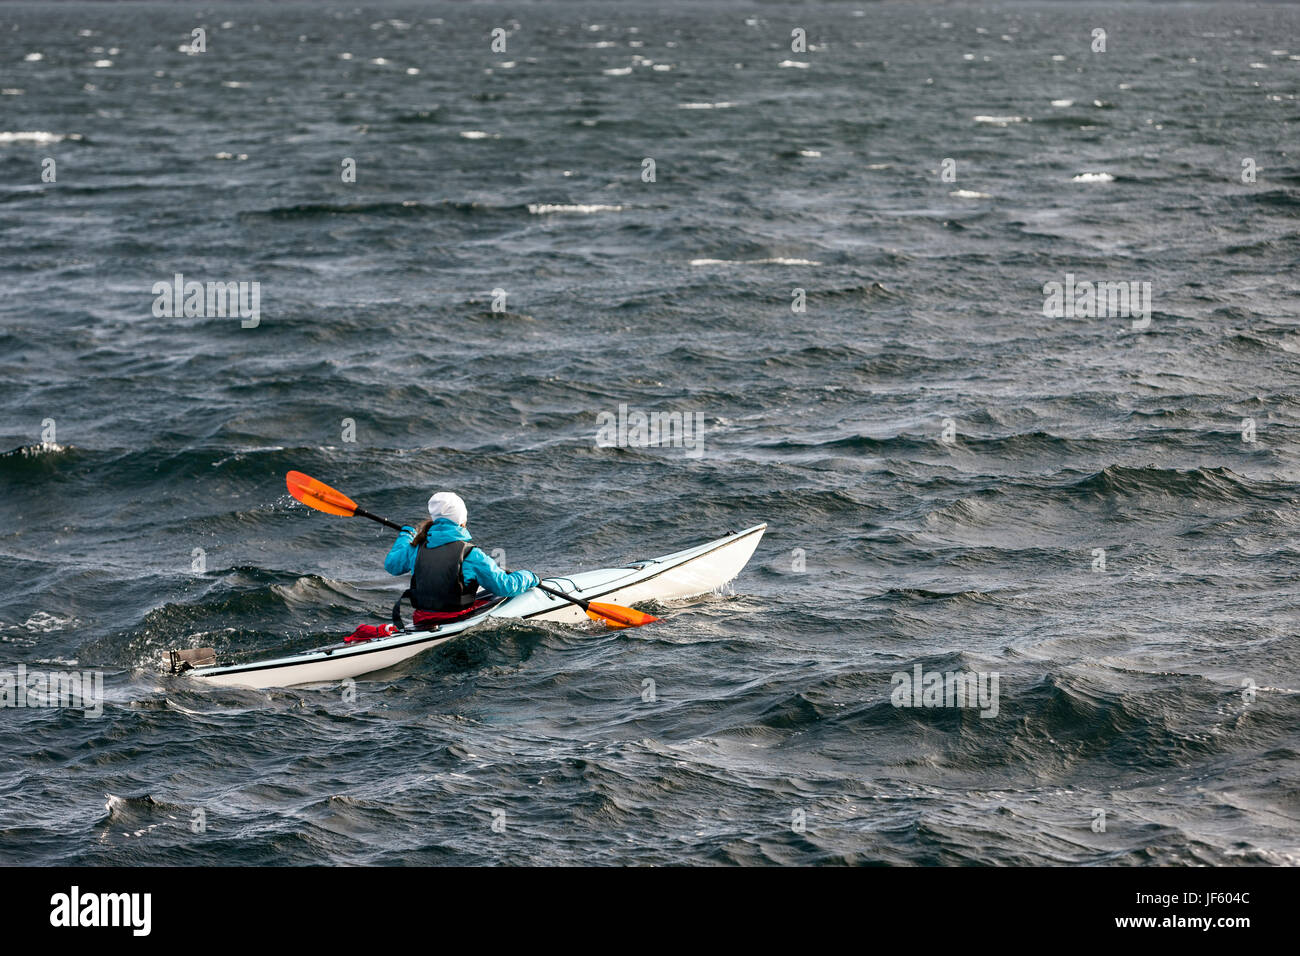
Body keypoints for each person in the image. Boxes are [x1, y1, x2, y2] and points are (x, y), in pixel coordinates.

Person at [384, 491, 539, 619]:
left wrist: (406, 535)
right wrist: (529, 576)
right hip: (456, 618)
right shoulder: (471, 554)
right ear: (462, 522)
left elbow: (392, 565)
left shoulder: (416, 547)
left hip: (421, 618)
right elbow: (504, 586)